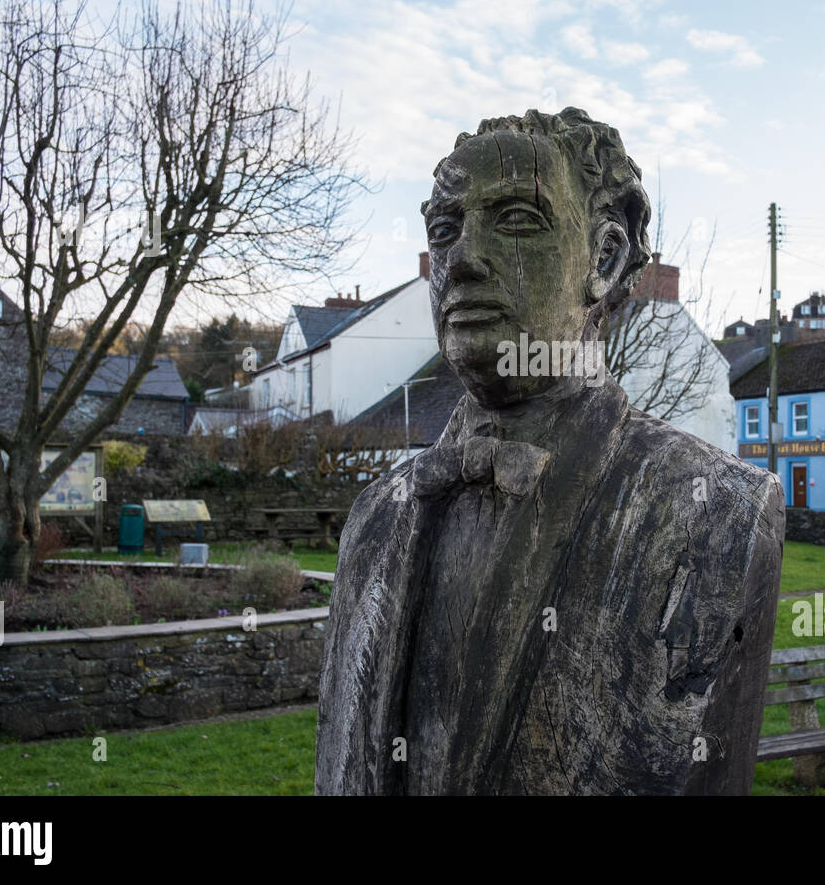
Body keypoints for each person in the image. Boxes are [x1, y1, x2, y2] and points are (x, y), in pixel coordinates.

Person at [316, 108, 783, 795]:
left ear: (605, 258)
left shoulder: (719, 515)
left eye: (516, 220)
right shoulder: (374, 518)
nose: (463, 259)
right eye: (445, 229)